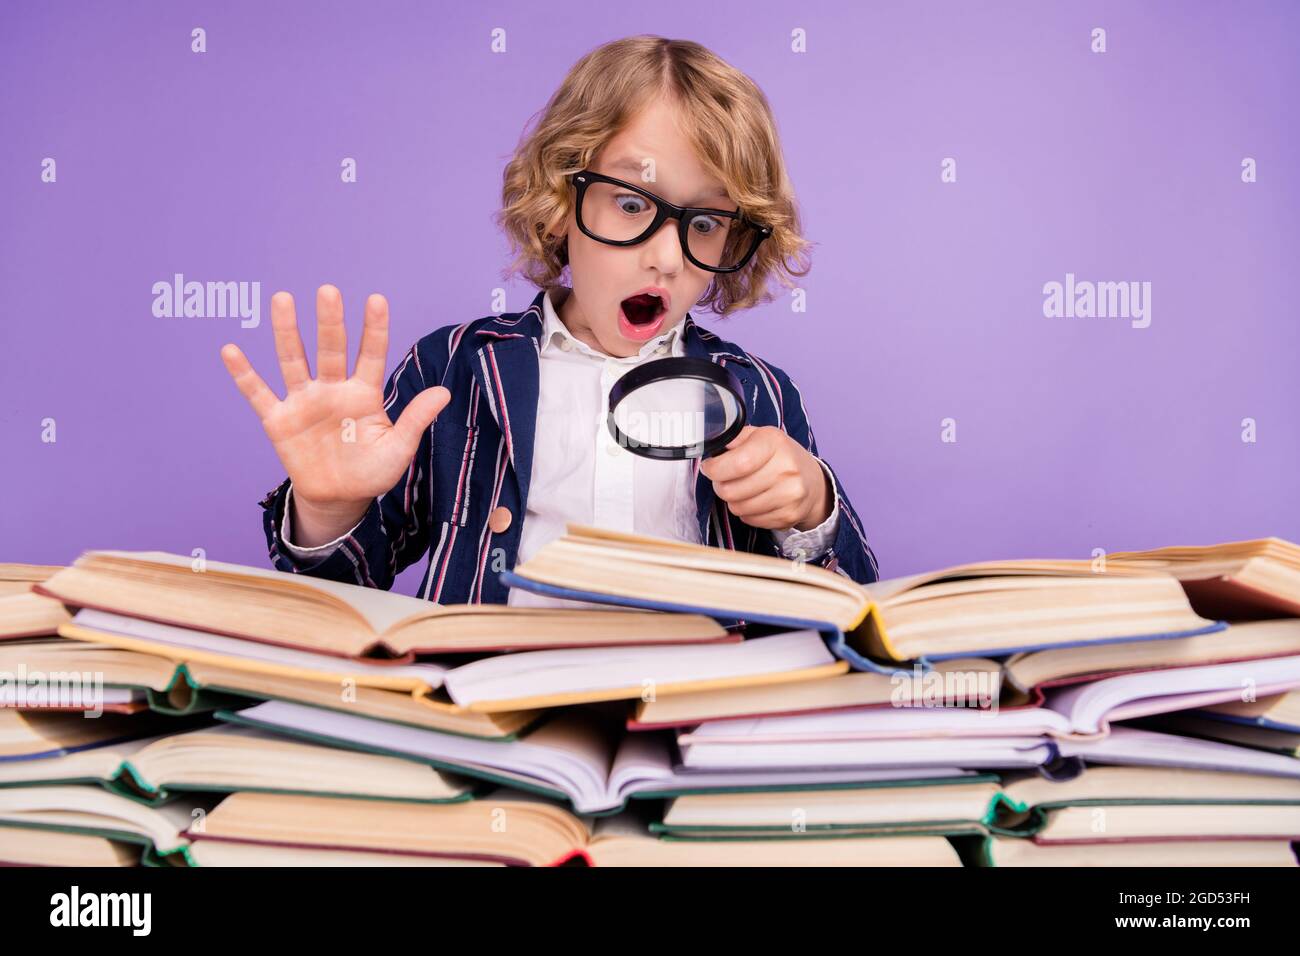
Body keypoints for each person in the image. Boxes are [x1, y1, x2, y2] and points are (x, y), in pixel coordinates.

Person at [220, 35, 879, 606]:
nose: (668, 257)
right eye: (629, 203)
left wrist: (812, 509)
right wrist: (330, 509)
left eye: (704, 223)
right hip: (488, 720)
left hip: (684, 726)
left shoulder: (758, 394)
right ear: (563, 200)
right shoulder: (455, 369)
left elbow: (854, 603)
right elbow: (345, 582)